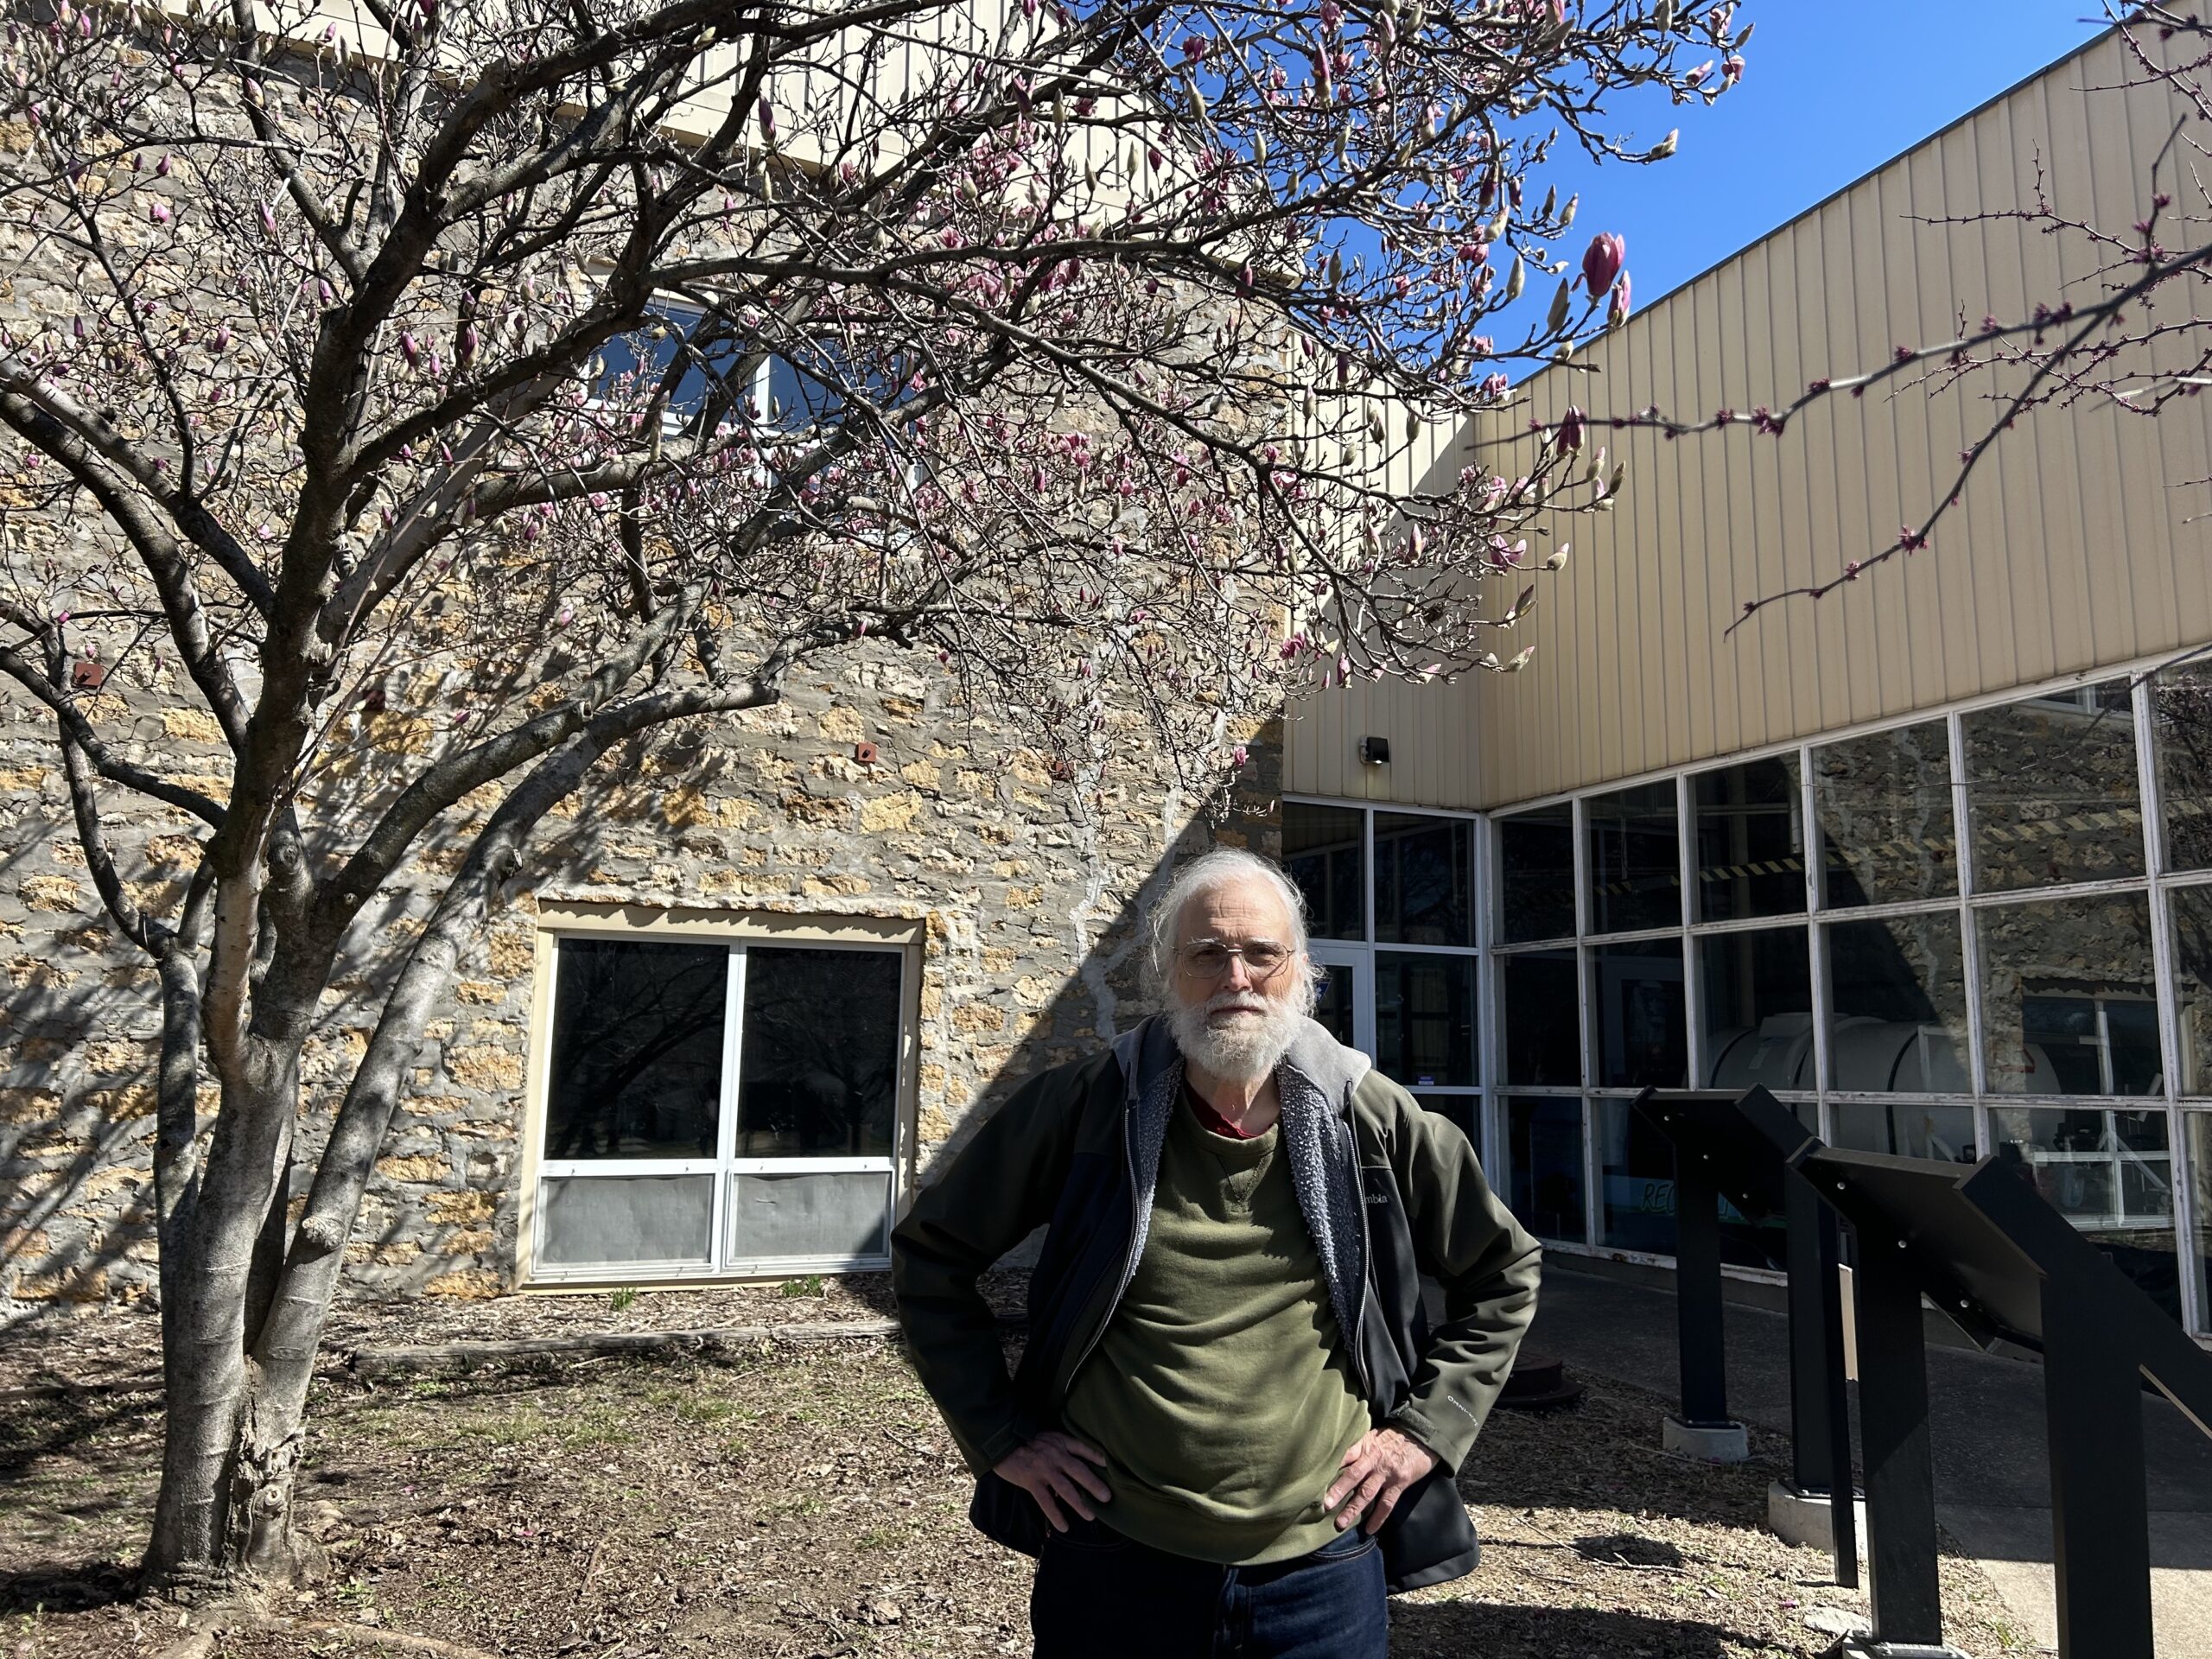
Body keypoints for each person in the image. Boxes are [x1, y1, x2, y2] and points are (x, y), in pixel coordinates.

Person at [892, 848, 1541, 1658]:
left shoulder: (1370, 1118)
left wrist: (1424, 1431)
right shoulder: (1086, 1106)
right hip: (1112, 1557)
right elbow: (931, 1253)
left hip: (1323, 1564)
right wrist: (1002, 1435)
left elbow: (1505, 1272)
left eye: (1261, 953)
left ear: (1300, 970)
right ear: (1170, 973)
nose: (1237, 977)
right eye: (1207, 953)